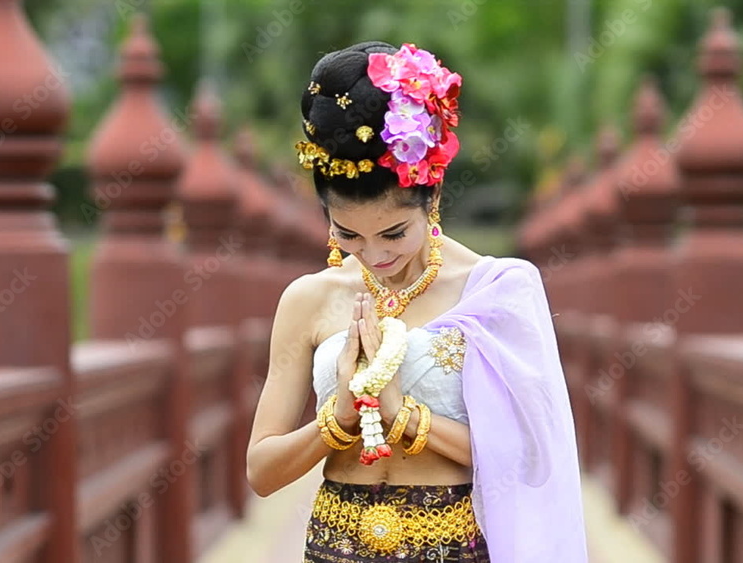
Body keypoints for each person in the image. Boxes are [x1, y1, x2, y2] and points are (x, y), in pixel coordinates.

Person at [246, 41, 588, 562]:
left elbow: (528, 457)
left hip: (452, 545)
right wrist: (336, 420)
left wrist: (400, 413)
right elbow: (262, 471)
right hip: (335, 546)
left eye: (393, 233)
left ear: (433, 194)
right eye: (348, 236)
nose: (374, 255)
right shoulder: (308, 299)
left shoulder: (496, 291)